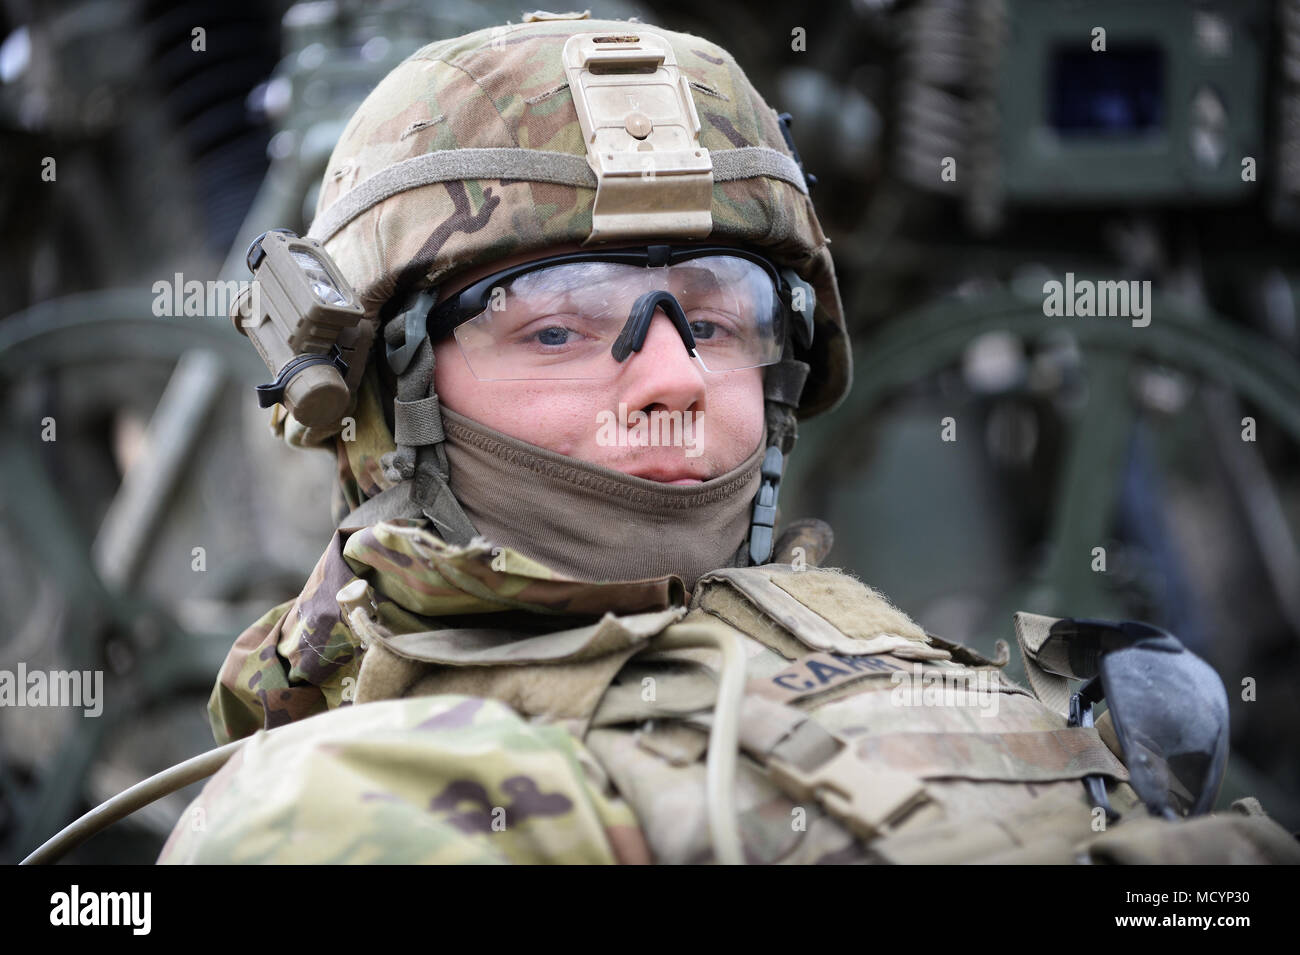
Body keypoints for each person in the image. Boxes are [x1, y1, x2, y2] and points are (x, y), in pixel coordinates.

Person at [159, 12, 1298, 864]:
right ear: (376, 387)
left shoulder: (872, 646)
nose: (673, 377)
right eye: (559, 327)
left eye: (716, 316)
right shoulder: (346, 805)